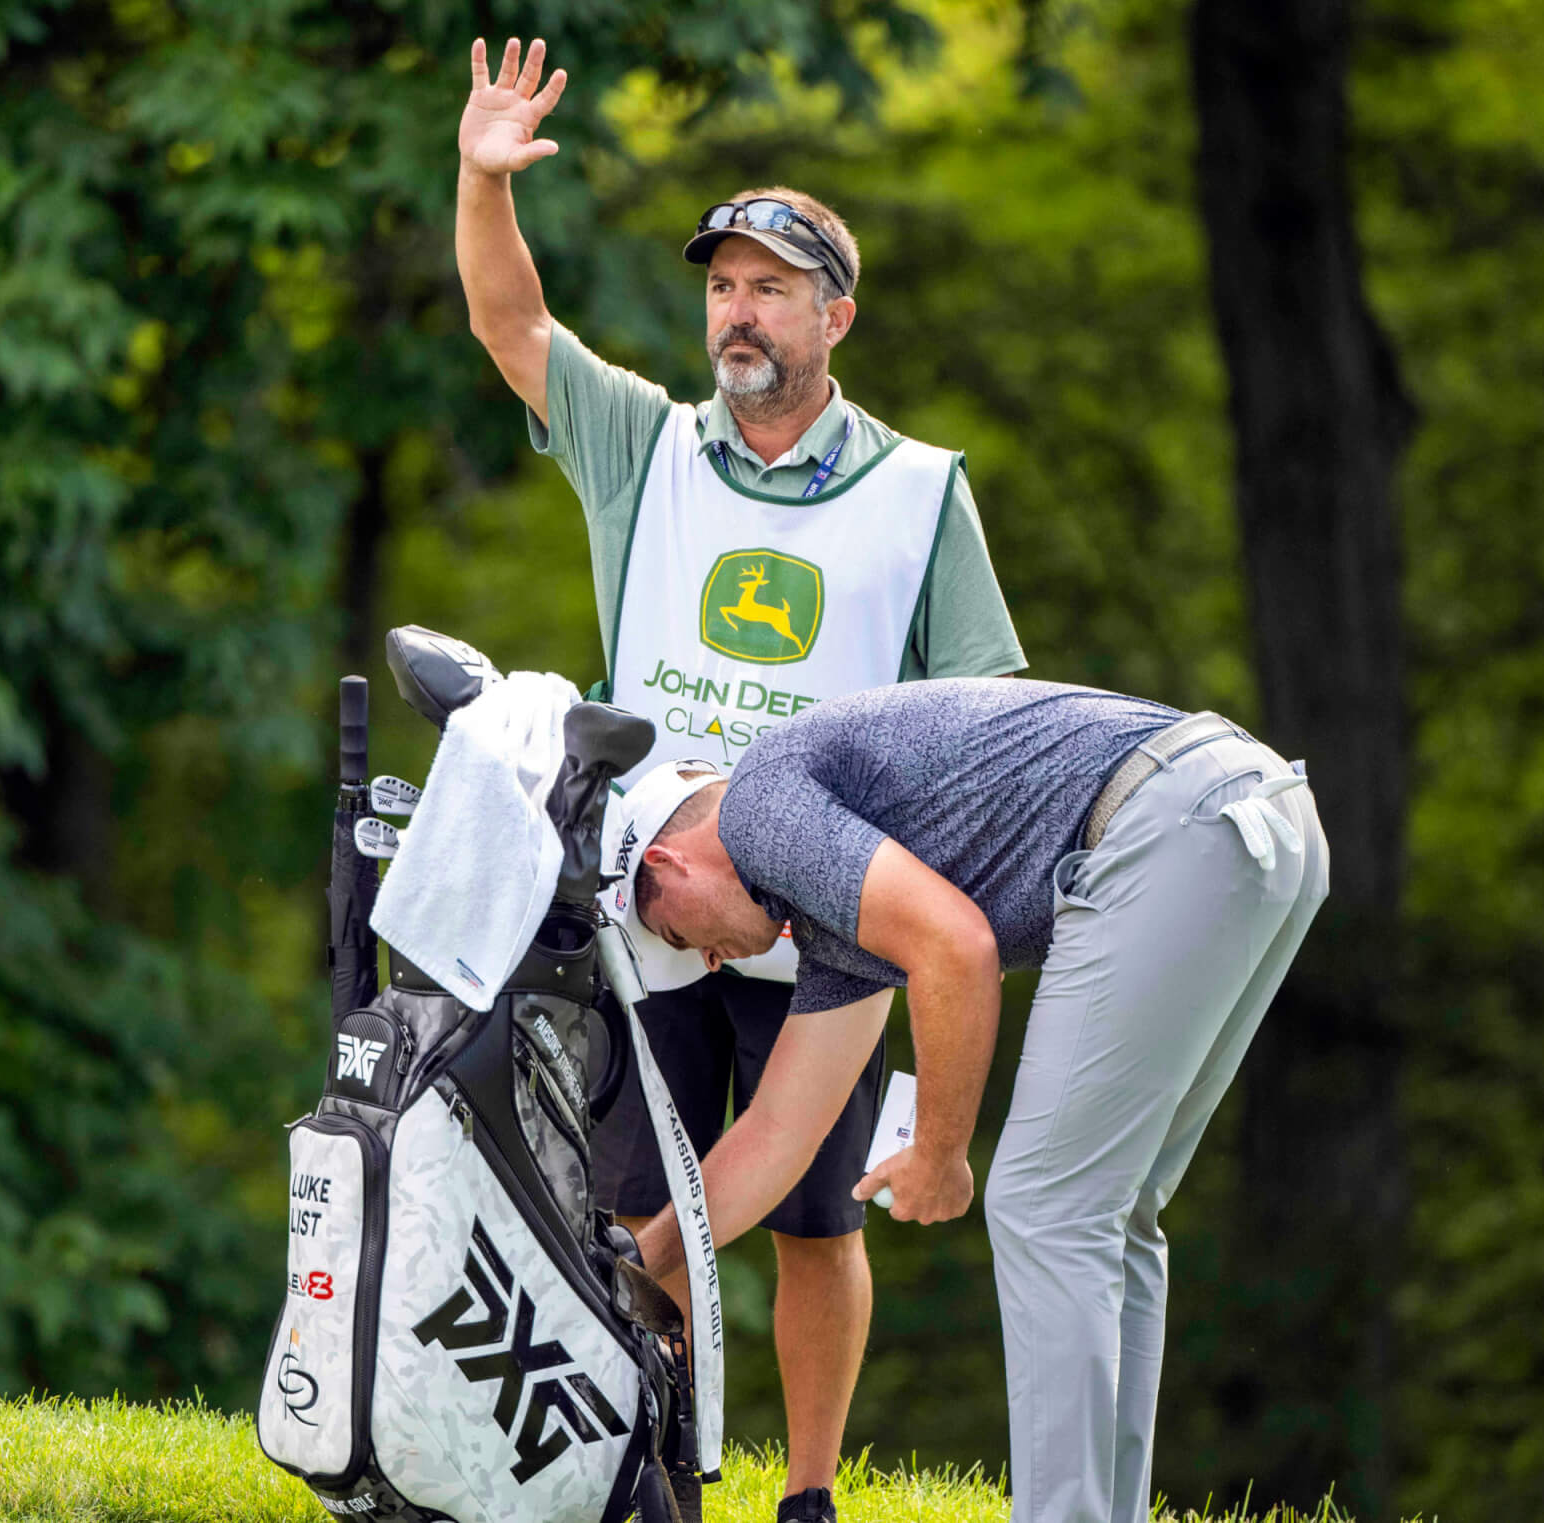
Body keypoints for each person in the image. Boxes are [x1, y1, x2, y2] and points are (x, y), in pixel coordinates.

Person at [454, 35, 1026, 1523]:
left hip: (831, 911)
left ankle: (810, 1492)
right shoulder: (645, 446)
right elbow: (511, 323)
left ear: (836, 314)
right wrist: (484, 178)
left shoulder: (921, 490)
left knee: (816, 1218)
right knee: (630, 1198)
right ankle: (640, 1468)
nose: (738, 309)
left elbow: (986, 719)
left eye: (771, 286)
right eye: (722, 285)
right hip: (649, 895)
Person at [604, 679, 1330, 1523]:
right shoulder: (838, 924)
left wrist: (940, 1153)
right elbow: (775, 1132)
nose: (705, 961)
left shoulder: (759, 805)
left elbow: (957, 946)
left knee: (1044, 1205)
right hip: (1258, 818)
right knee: (1111, 1211)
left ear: (667, 863)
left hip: (1176, 823)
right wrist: (630, 1261)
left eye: (677, 936)